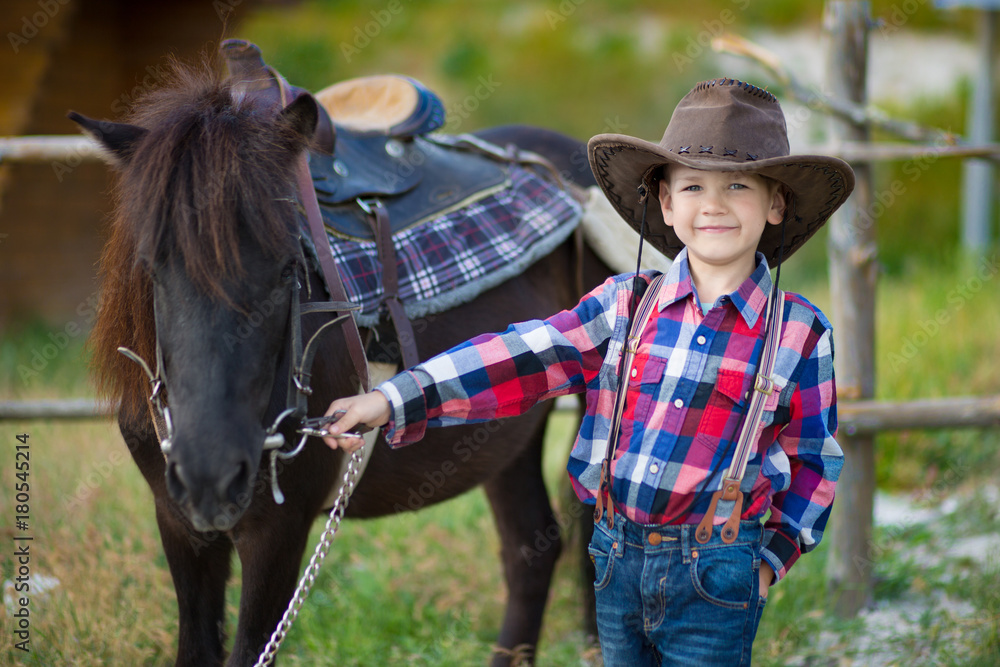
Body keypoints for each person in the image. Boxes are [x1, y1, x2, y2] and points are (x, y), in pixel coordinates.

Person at [321, 78, 854, 666]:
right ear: (667, 204)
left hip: (718, 575)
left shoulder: (799, 333)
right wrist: (396, 397)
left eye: (738, 186)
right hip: (617, 562)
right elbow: (520, 356)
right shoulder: (622, 306)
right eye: (693, 186)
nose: (714, 204)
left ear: (776, 203)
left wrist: (767, 562)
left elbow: (815, 459)